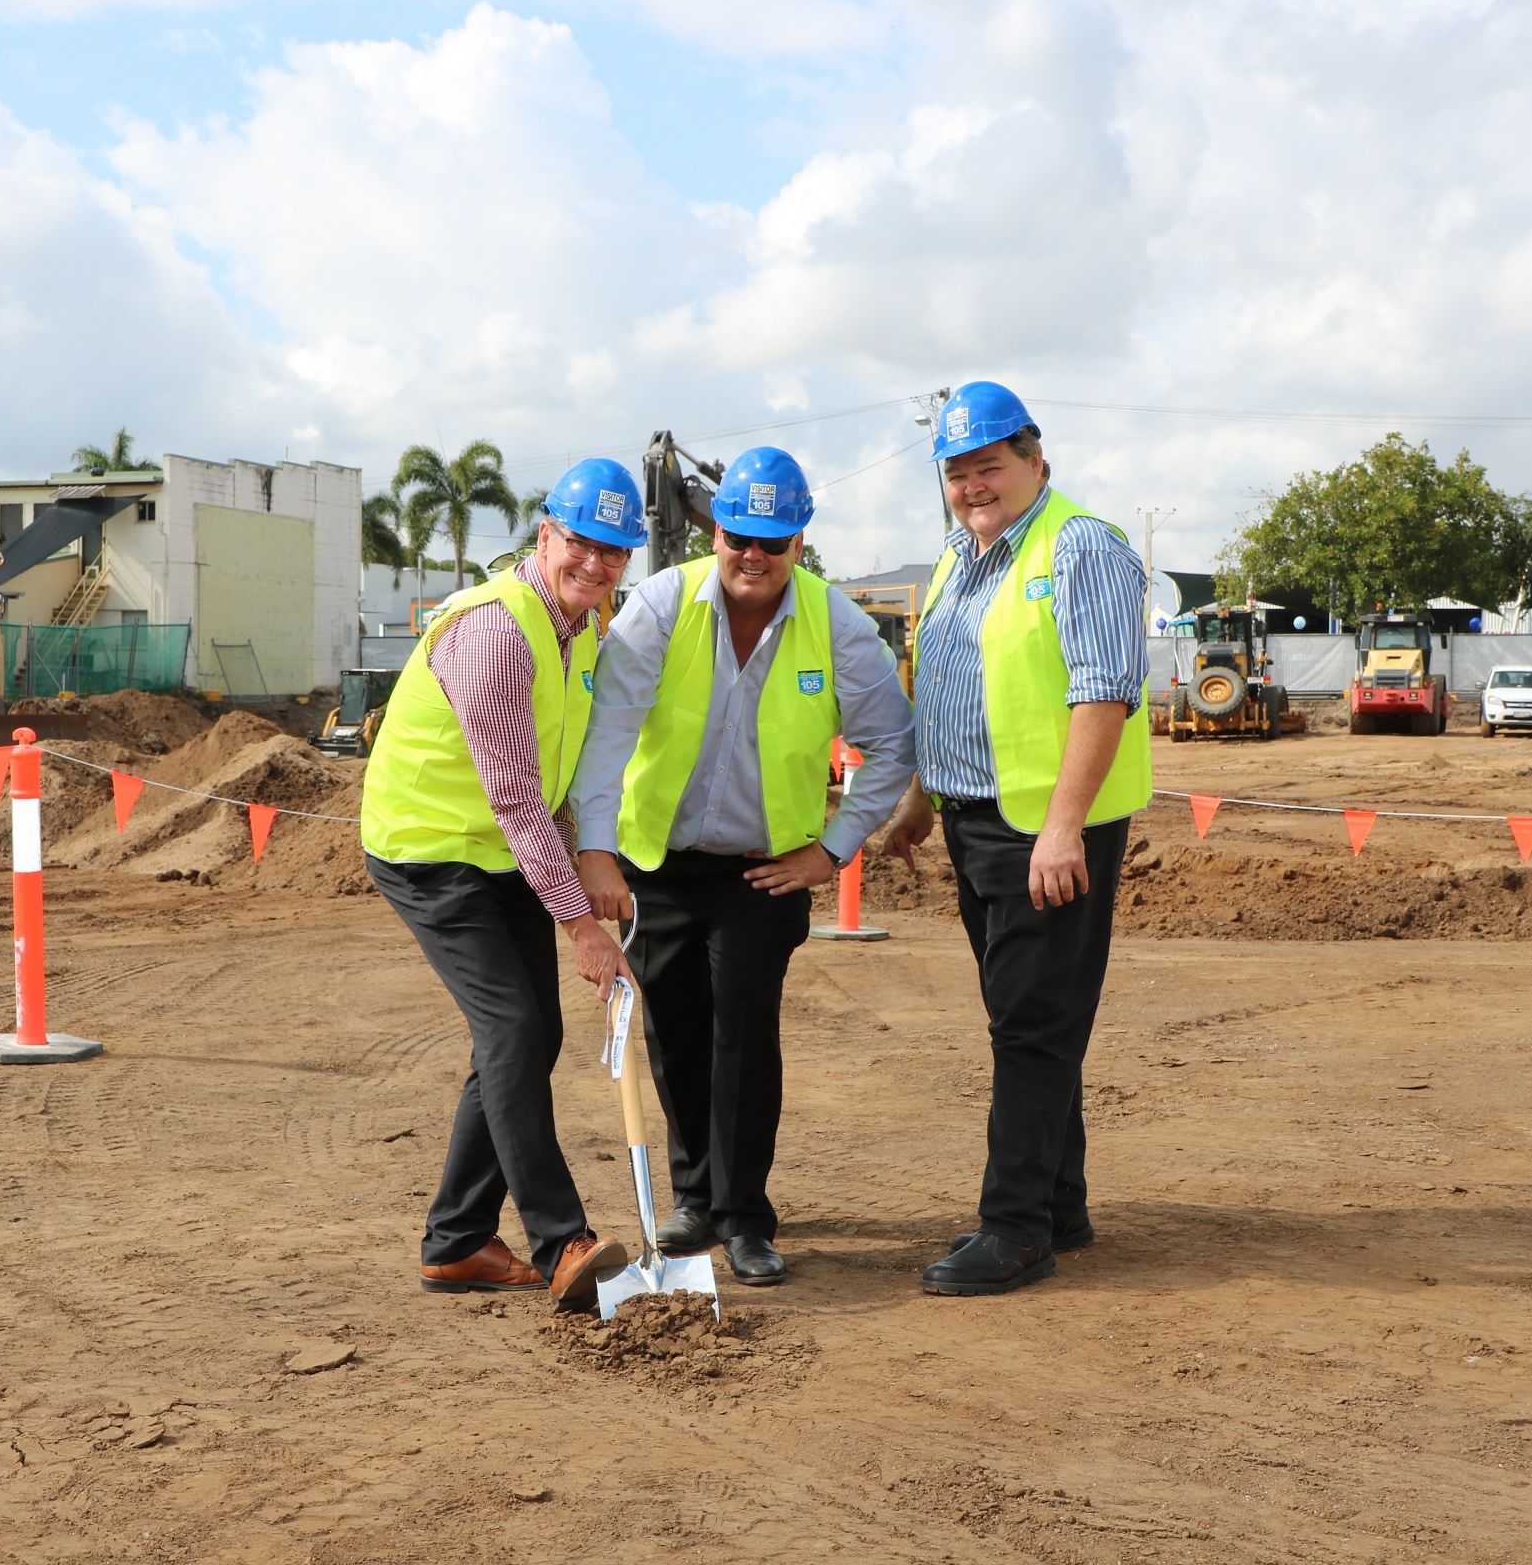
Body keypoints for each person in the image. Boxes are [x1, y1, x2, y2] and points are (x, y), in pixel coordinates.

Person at [569, 446, 915, 1287]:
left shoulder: (836, 625)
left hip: (767, 873)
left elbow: (894, 744)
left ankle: (747, 1215)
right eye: (736, 537)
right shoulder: (660, 605)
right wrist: (598, 853)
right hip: (660, 867)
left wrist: (831, 850)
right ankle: (696, 1201)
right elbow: (609, 734)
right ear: (712, 531)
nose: (751, 556)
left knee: (744, 1036)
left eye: (773, 539)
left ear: (800, 541)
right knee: (677, 1031)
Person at [880, 382, 1151, 1297]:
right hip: (976, 821)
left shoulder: (1083, 548)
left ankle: (1016, 1226)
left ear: (1036, 460)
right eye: (956, 472)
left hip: (1046, 828)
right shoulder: (961, 557)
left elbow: (1103, 689)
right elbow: (949, 690)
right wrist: (923, 799)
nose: (971, 485)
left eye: (988, 466)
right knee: (1030, 1018)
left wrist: (1063, 825)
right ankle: (1060, 1206)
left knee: (1031, 1028)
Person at [360, 457, 644, 1310]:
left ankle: (457, 1243)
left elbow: (553, 778)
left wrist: (590, 862)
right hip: (430, 847)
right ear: (545, 536)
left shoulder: (585, 627)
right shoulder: (494, 631)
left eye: (615, 553)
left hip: (501, 849)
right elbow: (517, 796)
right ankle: (564, 1242)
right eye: (581, 545)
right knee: (514, 1030)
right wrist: (581, 927)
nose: (595, 566)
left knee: (529, 1035)